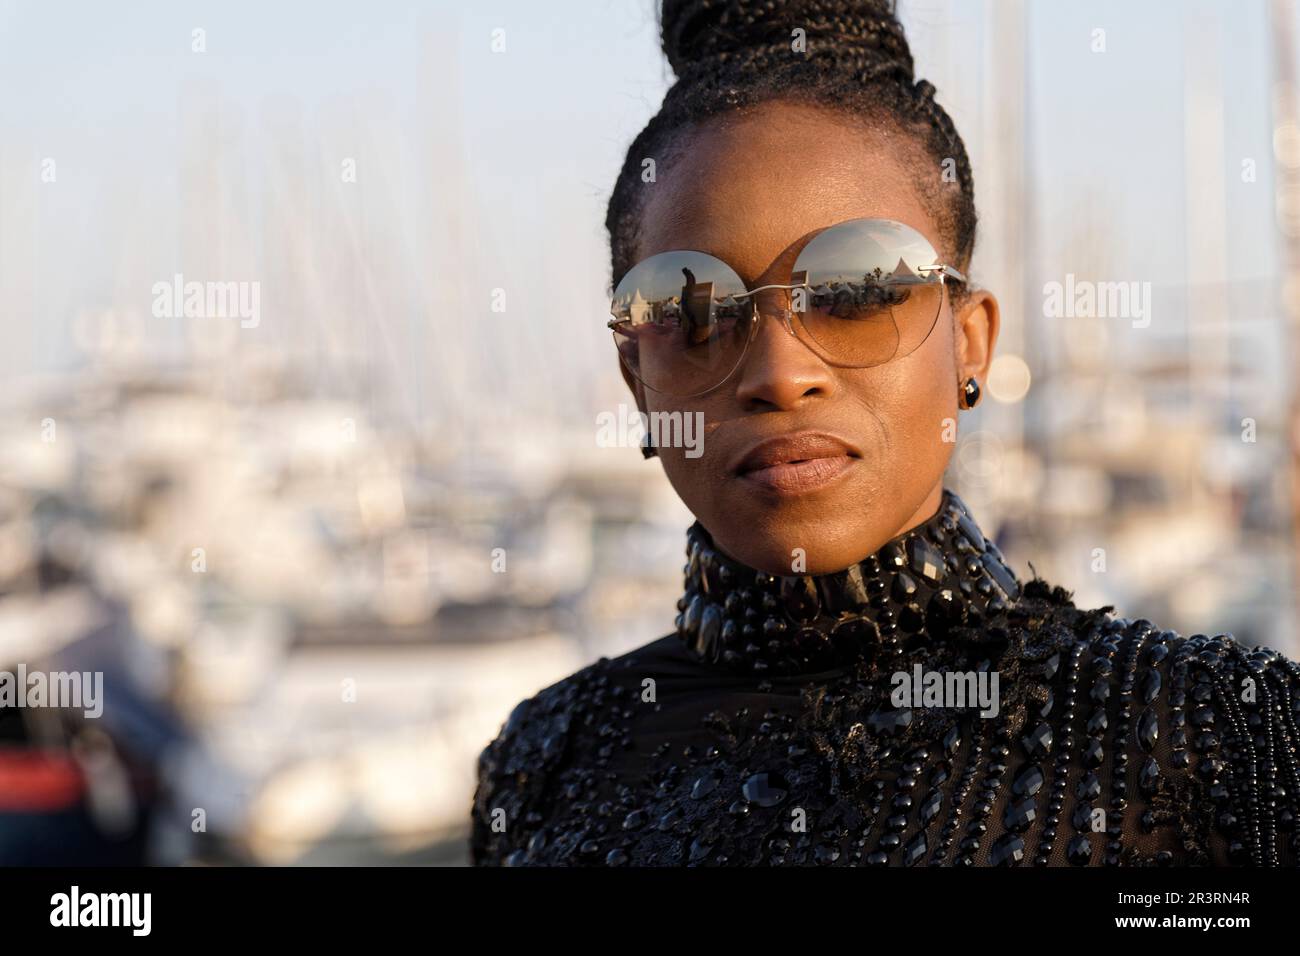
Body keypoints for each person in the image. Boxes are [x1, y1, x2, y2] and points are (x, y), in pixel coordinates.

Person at [470, 0, 1300, 867]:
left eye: (859, 288)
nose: (782, 373)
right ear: (638, 379)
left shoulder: (1211, 738)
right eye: (693, 307)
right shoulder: (547, 762)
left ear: (969, 339)